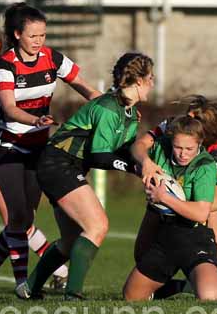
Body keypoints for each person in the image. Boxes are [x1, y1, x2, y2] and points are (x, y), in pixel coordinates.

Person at [0, 3, 101, 298]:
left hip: (37, 150)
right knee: (18, 215)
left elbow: (85, 87)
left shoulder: (52, 58)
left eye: (43, 35)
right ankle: (24, 285)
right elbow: (9, 108)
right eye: (33, 36)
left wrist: (111, 106)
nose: (39, 41)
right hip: (6, 148)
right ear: (17, 34)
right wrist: (35, 120)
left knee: (24, 220)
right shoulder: (5, 66)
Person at [25, 52, 153, 300]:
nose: (153, 83)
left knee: (71, 240)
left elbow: (123, 151)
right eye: (151, 78)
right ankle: (73, 295)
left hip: (65, 167)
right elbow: (99, 157)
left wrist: (147, 164)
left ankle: (29, 288)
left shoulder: (129, 113)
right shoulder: (108, 108)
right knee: (97, 225)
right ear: (139, 81)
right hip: (58, 164)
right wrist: (135, 169)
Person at [133, 96, 217, 299]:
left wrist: (181, 202)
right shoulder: (172, 126)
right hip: (164, 199)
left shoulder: (215, 152)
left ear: (204, 134)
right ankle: (164, 288)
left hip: (201, 203)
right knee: (141, 251)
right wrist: (146, 162)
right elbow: (141, 144)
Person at [123, 116, 217, 301]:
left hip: (194, 236)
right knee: (132, 296)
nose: (183, 154)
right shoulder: (162, 148)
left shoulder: (205, 165)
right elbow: (137, 146)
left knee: (211, 297)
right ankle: (181, 286)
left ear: (200, 143)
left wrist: (163, 197)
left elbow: (201, 213)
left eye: (189, 149)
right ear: (171, 141)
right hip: (166, 234)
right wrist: (146, 162)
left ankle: (198, 281)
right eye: (178, 147)